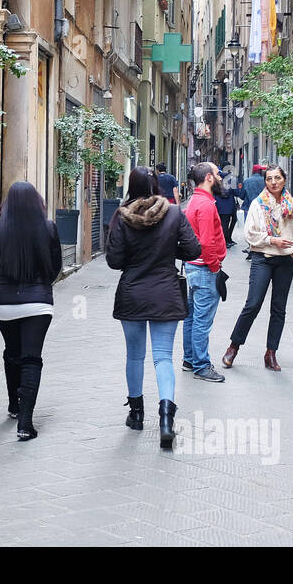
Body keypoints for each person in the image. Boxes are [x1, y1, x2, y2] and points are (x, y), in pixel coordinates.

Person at [107, 167, 201, 448]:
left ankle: (136, 414)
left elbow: (114, 260)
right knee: (163, 357)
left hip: (133, 294)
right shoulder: (173, 213)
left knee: (135, 356)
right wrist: (171, 251)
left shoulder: (122, 217)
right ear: (156, 185)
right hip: (165, 293)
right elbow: (194, 249)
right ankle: (166, 420)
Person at [0, 181, 63, 440]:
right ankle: (25, 423)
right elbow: (56, 266)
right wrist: (42, 285)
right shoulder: (49, 228)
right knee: (31, 358)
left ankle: (13, 405)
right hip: (39, 304)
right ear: (37, 203)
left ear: (7, 204)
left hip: (5, 306)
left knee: (12, 354)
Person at [219, 165, 293, 372]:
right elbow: (250, 234)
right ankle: (234, 346)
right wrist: (272, 240)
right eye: (269, 179)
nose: (274, 182)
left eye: (277, 178)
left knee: (279, 308)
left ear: (284, 180)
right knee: (253, 304)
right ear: (265, 181)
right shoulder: (259, 205)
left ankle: (271, 353)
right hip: (262, 258)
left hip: (286, 260)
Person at [180, 162, 227, 383]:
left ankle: (190, 359)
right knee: (201, 319)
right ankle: (201, 364)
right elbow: (207, 242)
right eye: (217, 174)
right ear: (209, 177)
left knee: (192, 316)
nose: (220, 177)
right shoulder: (206, 205)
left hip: (194, 267)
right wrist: (215, 266)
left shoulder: (194, 201)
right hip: (204, 268)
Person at [239, 164, 267, 260]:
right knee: (262, 228)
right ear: (260, 171)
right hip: (263, 208)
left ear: (252, 171)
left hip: (249, 208)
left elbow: (241, 195)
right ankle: (260, 250)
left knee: (250, 229)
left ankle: (252, 249)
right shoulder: (265, 181)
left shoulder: (247, 181)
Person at [215, 166, 238, 247]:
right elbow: (236, 192)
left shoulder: (216, 179)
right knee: (230, 222)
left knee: (223, 223)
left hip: (219, 205)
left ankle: (225, 240)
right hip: (229, 205)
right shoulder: (231, 179)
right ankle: (226, 240)